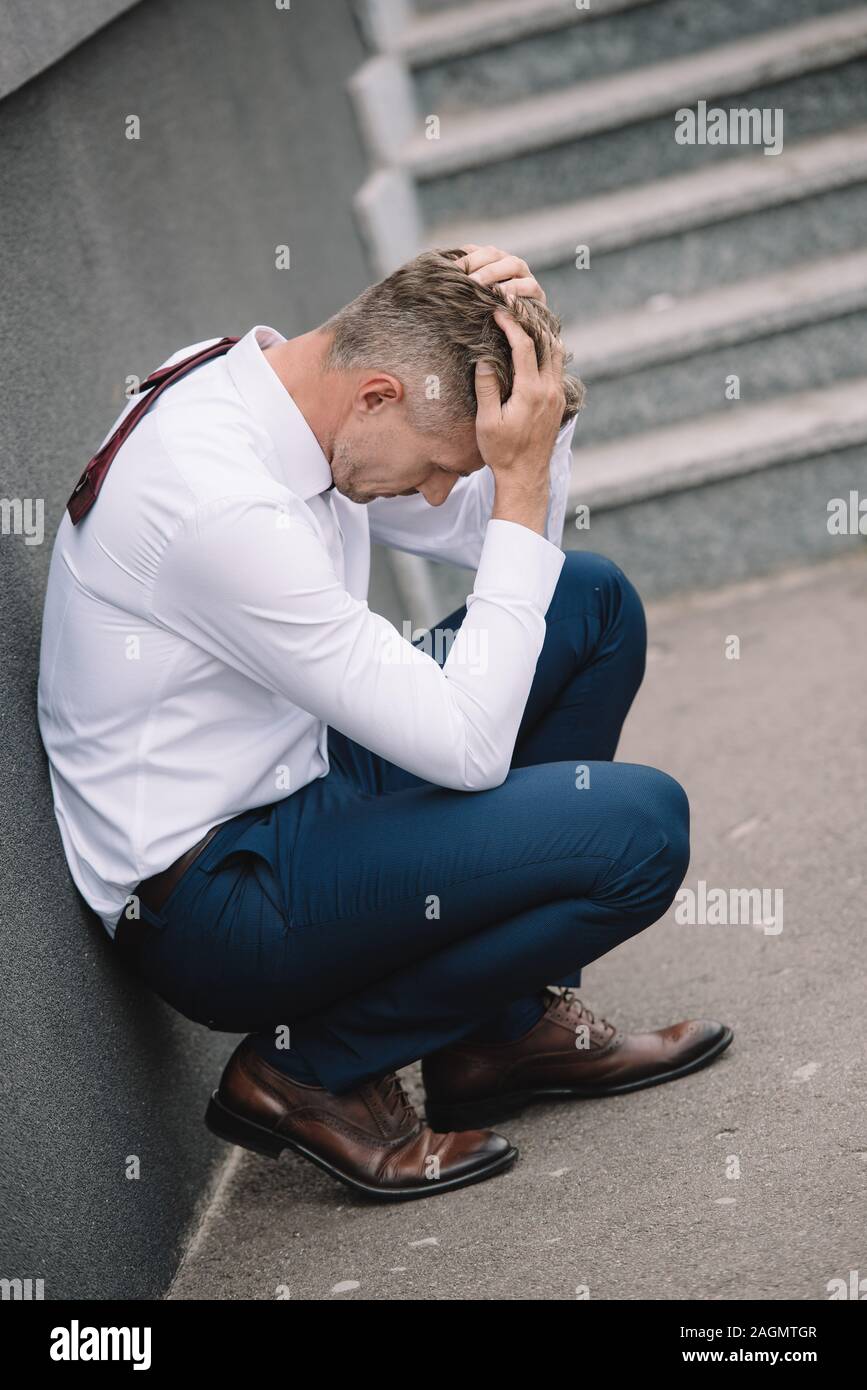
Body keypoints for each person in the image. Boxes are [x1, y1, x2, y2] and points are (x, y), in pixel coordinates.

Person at [38, 245, 732, 1202]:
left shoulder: (277, 390)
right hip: (214, 901)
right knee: (639, 832)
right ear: (376, 395)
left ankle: (494, 1034)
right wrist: (518, 491)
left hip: (300, 781)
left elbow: (473, 535)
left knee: (589, 601)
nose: (446, 490)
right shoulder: (216, 507)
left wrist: (540, 418)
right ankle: (309, 1069)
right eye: (442, 464)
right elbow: (471, 745)